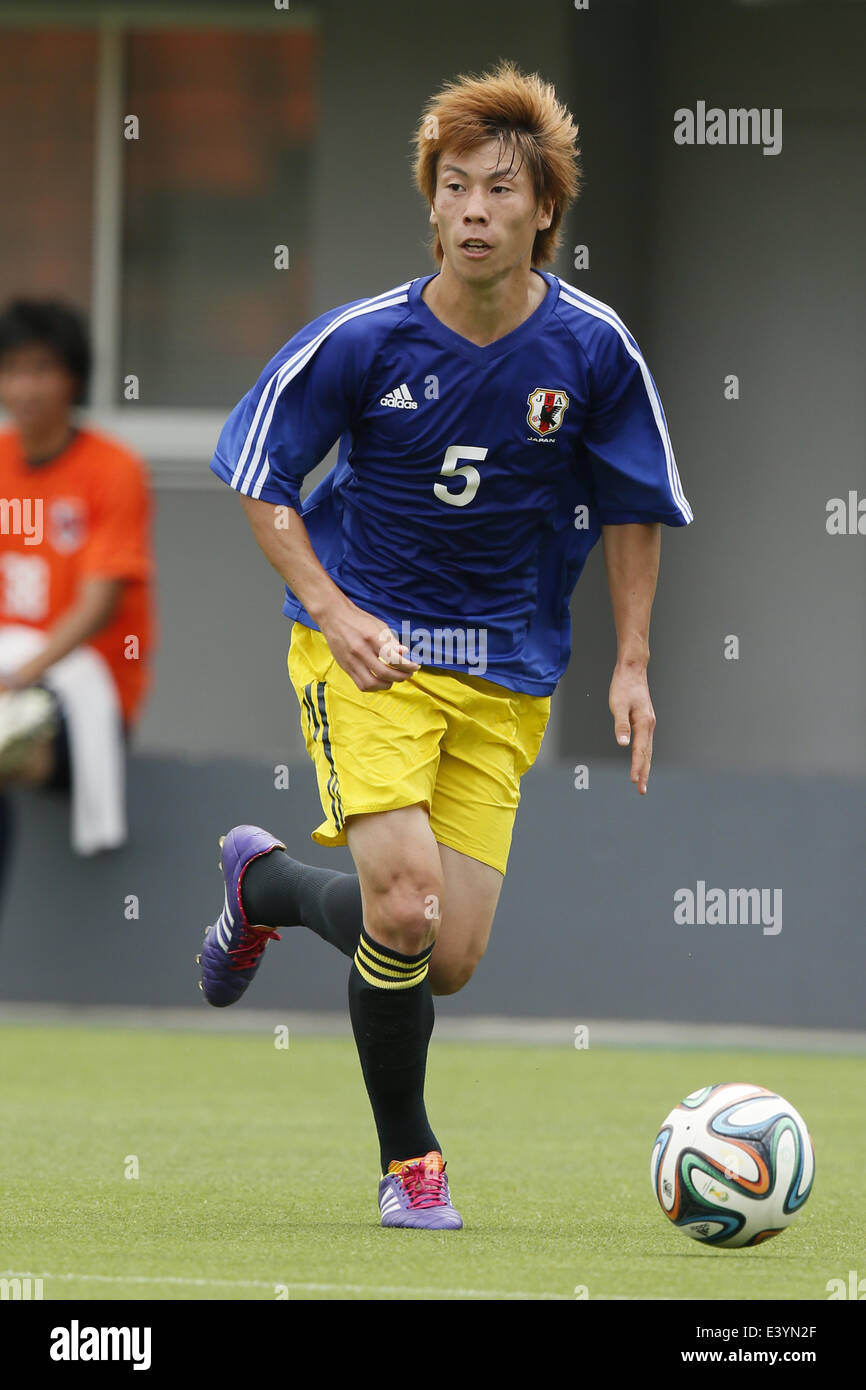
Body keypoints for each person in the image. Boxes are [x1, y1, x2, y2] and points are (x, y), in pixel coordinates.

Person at [198, 61, 692, 1230]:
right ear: (430, 203)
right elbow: (262, 481)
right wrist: (329, 607)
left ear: (543, 213)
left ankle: (259, 883)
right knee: (406, 905)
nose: (474, 210)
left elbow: (634, 503)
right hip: (366, 653)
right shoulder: (362, 343)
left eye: (499, 191)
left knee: (444, 953)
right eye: (455, 187)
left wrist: (628, 661)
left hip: (505, 672)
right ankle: (410, 1164)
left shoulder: (592, 351)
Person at [0, 299, 155, 893]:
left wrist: (18, 677)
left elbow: (99, 603)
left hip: (83, 693)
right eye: (12, 368)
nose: (26, 387)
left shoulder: (112, 469)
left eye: (42, 368)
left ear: (72, 377)